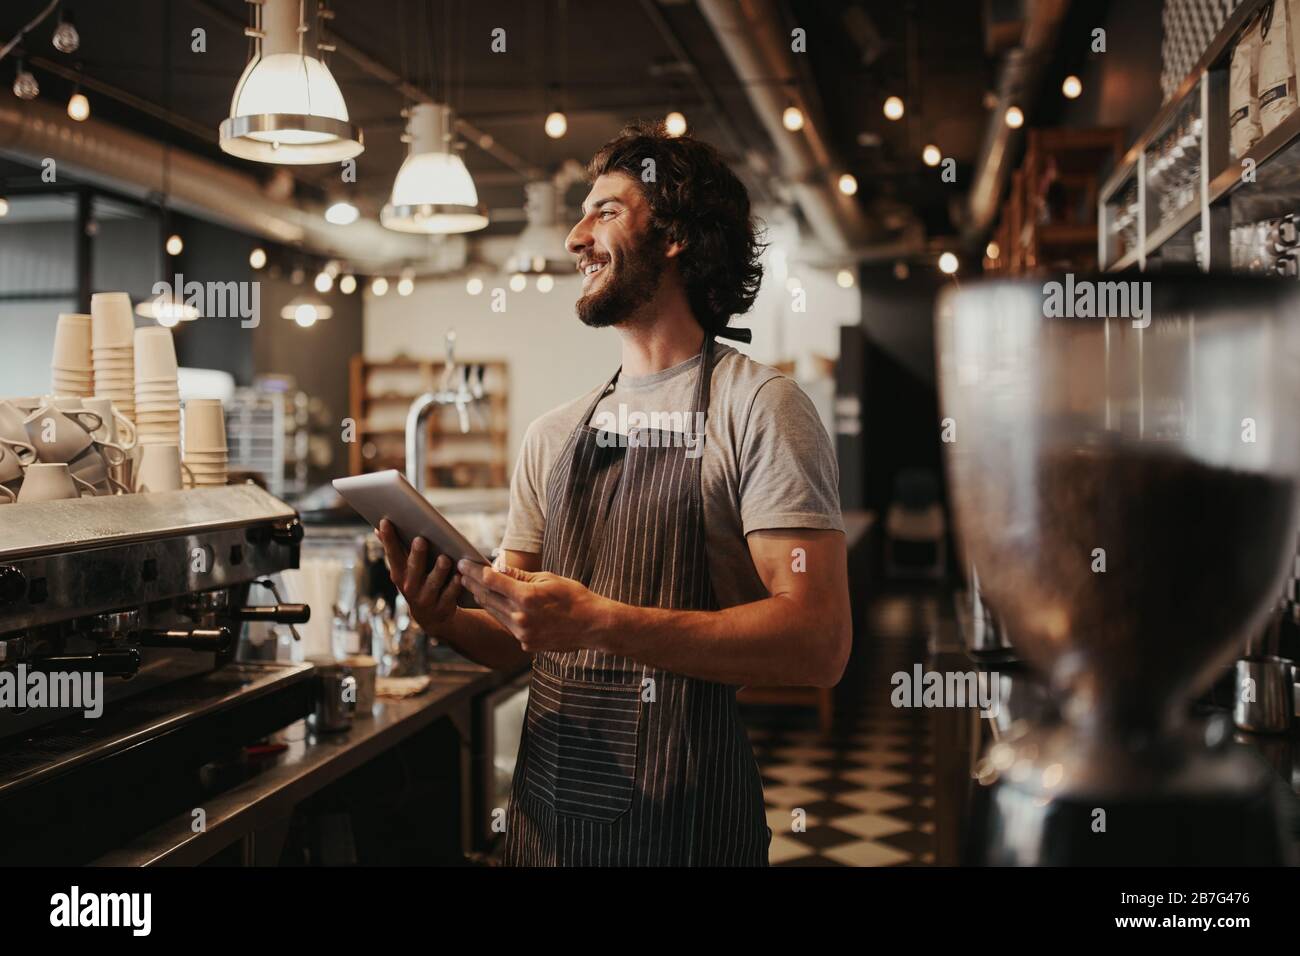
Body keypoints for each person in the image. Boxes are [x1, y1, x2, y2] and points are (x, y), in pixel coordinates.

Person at [378, 121, 851, 866]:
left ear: (675, 235)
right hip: (545, 829)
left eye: (605, 211)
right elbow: (518, 638)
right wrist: (445, 620)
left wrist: (604, 623)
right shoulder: (552, 436)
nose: (575, 237)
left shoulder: (758, 407)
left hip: (688, 831)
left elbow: (819, 643)